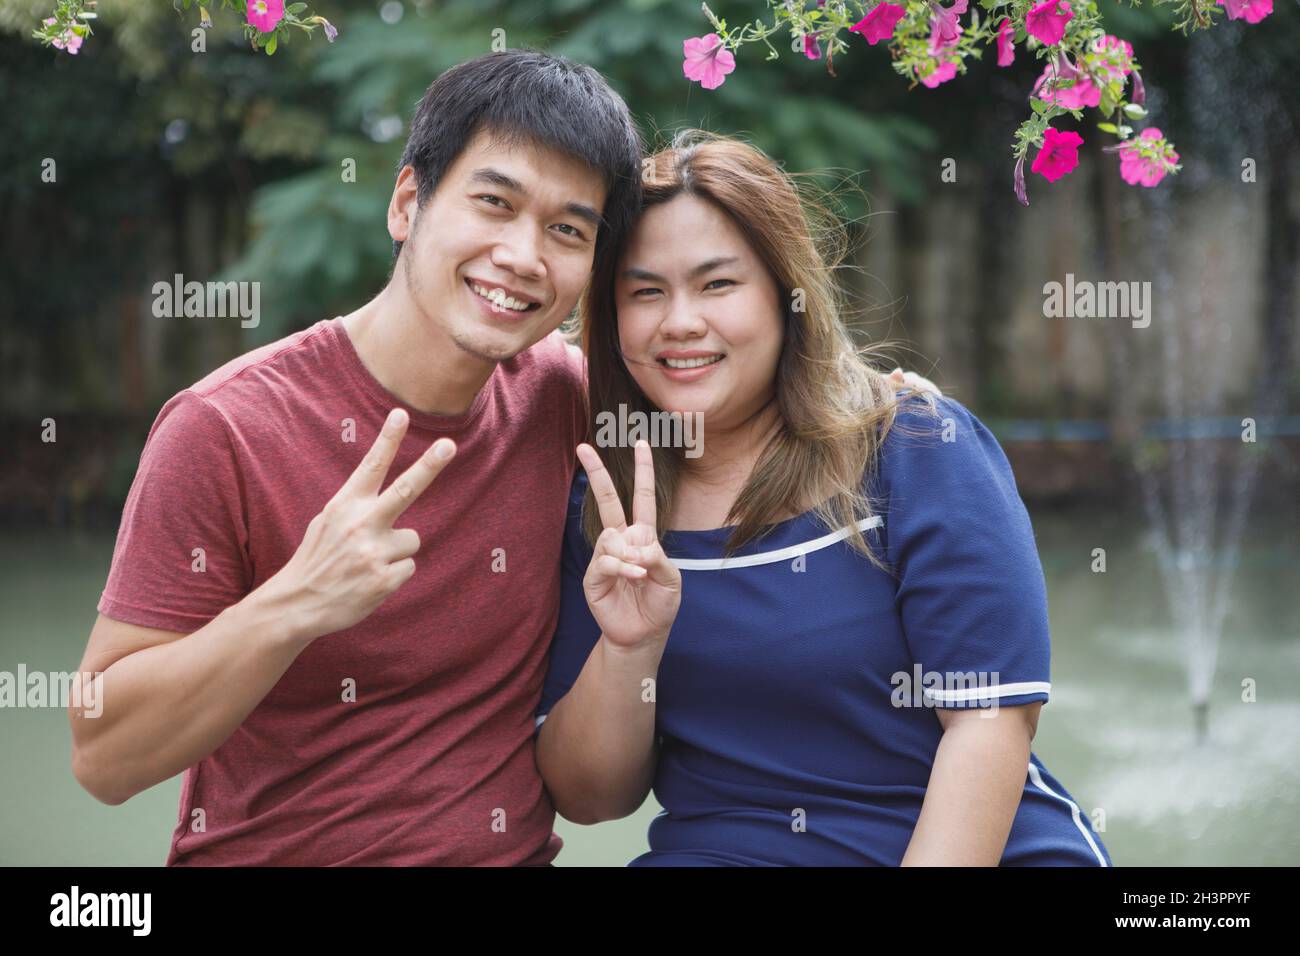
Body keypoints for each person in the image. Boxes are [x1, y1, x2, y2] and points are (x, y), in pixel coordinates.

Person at [69, 49, 643, 866]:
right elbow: (102, 759)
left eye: (567, 230)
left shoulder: (563, 398)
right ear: (408, 202)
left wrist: (887, 397)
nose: (524, 255)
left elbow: (734, 397)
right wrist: (295, 604)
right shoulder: (223, 428)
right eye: (494, 203)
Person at [535, 131, 1113, 866]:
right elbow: (591, 802)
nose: (679, 321)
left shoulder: (914, 446)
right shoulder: (608, 508)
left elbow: (989, 726)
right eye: (645, 291)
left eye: (718, 284)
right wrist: (630, 648)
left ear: (788, 296)